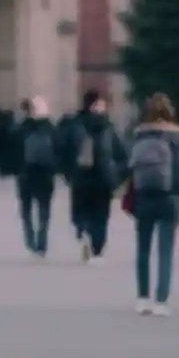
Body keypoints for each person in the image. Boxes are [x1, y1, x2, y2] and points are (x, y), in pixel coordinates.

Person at [126, 93, 179, 316]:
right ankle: (161, 300)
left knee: (143, 249)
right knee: (165, 250)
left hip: (144, 195)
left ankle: (143, 298)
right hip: (170, 195)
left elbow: (130, 165)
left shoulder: (138, 137)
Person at [62, 88, 126, 264]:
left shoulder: (75, 126)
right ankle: (97, 249)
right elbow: (121, 153)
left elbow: (65, 151)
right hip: (103, 179)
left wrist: (68, 174)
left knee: (81, 211)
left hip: (81, 178)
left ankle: (84, 233)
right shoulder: (108, 128)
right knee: (101, 215)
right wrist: (117, 176)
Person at [14, 96, 60, 259]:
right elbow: (58, 149)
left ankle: (31, 241)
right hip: (45, 174)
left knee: (26, 210)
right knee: (44, 211)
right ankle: (42, 244)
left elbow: (13, 149)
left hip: (26, 173)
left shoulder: (22, 128)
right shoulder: (50, 128)